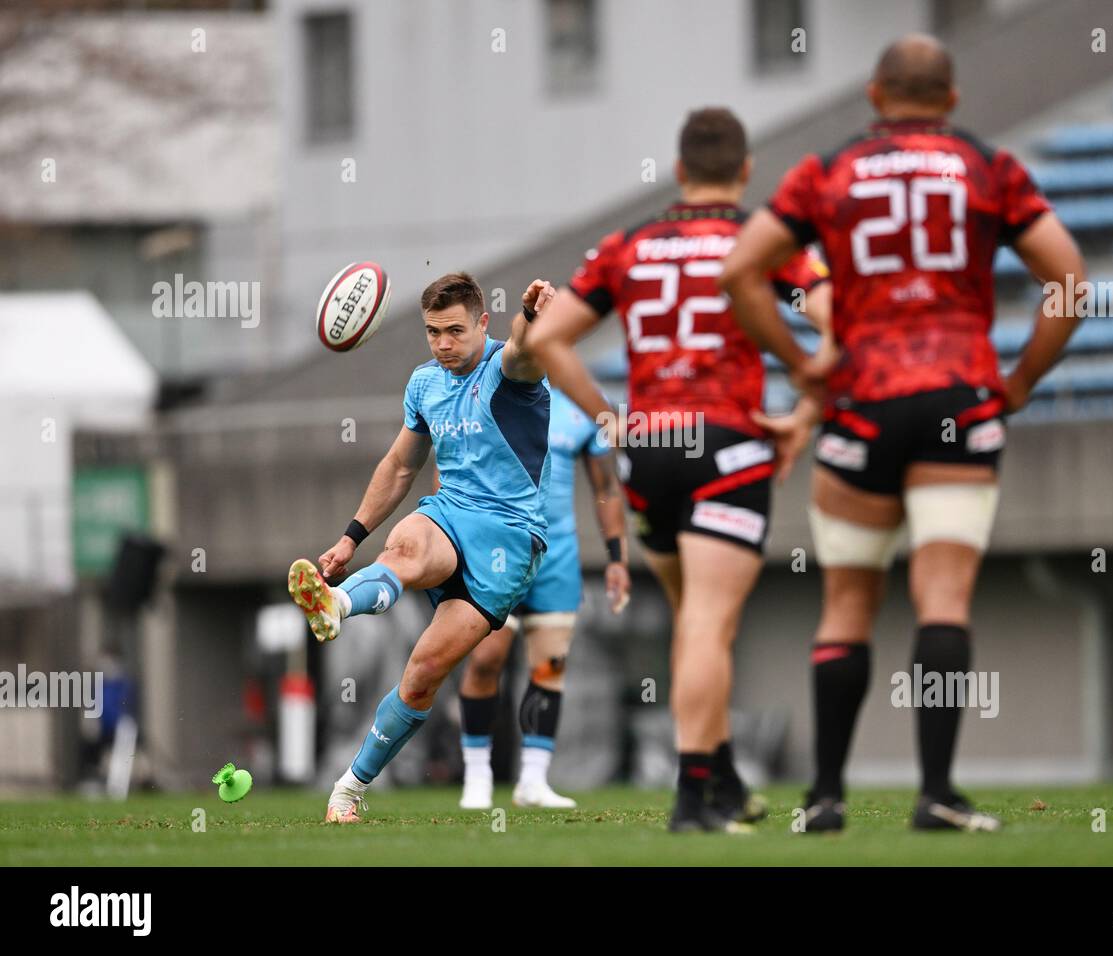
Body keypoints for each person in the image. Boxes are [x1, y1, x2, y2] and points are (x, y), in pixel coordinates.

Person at [720, 33, 1087, 832]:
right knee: (944, 599)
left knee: (847, 604)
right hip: (959, 396)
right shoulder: (992, 167)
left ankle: (824, 799)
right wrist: (1019, 380)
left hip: (862, 401)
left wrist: (801, 364)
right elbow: (1069, 278)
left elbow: (743, 270)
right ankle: (937, 794)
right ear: (952, 100)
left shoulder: (829, 170)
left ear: (875, 97)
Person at [528, 107, 831, 832]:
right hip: (727, 443)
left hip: (650, 449)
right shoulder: (760, 242)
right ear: (747, 170)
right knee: (706, 624)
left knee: (696, 624)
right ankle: (692, 800)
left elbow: (546, 337)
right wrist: (804, 414)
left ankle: (720, 778)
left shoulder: (629, 244)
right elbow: (837, 320)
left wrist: (607, 417)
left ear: (679, 171)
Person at [287, 272, 556, 823]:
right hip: (449, 514)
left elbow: (527, 348)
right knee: (405, 546)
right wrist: (348, 538)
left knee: (422, 675)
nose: (443, 344)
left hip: (508, 541)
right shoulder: (425, 383)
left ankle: (348, 787)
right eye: (433, 332)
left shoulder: (510, 371)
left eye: (455, 330)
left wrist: (530, 316)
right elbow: (401, 466)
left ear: (483, 323)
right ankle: (336, 604)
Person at [457, 384, 630, 810]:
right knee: (485, 659)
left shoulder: (586, 402)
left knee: (549, 666)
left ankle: (532, 780)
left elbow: (605, 486)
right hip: (499, 551)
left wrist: (617, 558)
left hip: (557, 556)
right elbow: (453, 467)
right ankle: (477, 776)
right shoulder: (491, 385)